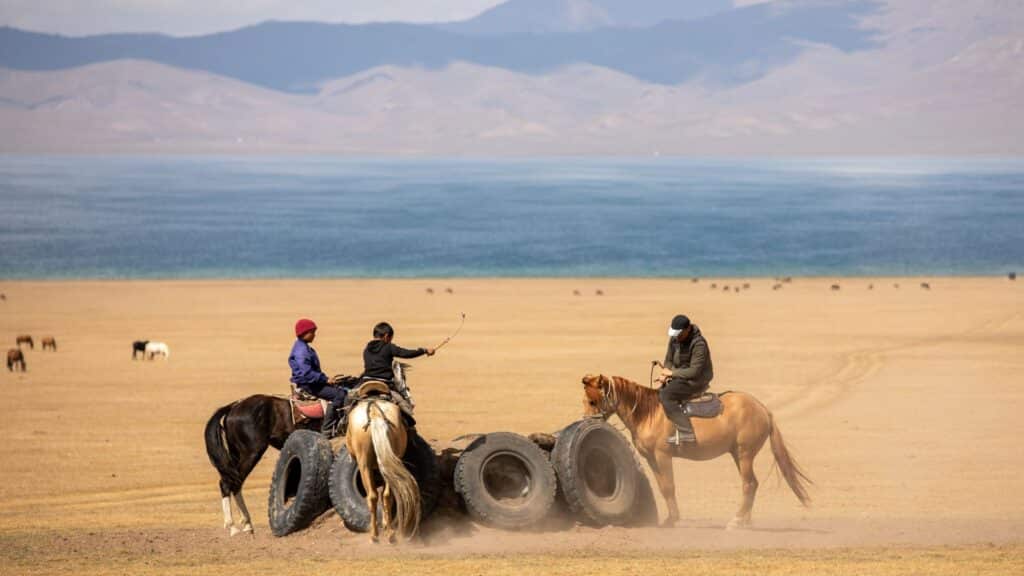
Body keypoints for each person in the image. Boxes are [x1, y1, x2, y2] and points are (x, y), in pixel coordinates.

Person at [654, 314, 714, 445]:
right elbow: (669, 359)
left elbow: (694, 371)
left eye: (680, 334)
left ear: (688, 329)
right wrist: (665, 375)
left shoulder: (699, 344)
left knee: (666, 395)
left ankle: (686, 431)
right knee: (656, 392)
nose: (677, 337)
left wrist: (671, 373)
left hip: (696, 381)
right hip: (679, 377)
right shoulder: (675, 339)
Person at [360, 321, 434, 418]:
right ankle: (411, 430)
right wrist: (424, 351)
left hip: (365, 382)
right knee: (406, 408)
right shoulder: (388, 347)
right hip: (385, 384)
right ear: (386, 336)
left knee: (349, 401)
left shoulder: (366, 349)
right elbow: (406, 353)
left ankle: (342, 424)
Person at [288, 318, 347, 437]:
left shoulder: (303, 347)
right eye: (312, 332)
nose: (314, 335)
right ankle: (327, 428)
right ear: (304, 333)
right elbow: (307, 373)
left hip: (313, 382)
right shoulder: (302, 351)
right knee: (340, 395)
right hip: (309, 385)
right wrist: (325, 379)